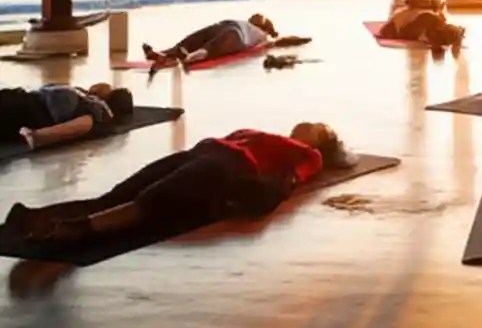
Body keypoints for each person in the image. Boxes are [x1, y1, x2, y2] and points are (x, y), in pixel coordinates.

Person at [4, 122, 357, 244]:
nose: (309, 123)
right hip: (200, 152)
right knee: (120, 192)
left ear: (321, 140)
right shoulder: (261, 131)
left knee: (153, 199)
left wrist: (278, 186)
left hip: (228, 165)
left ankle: (79, 229)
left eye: (319, 126)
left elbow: (297, 176)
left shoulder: (308, 153)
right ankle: (38, 218)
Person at [142, 13, 310, 74]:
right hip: (228, 30)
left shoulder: (264, 36)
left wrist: (302, 39)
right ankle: (173, 54)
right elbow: (283, 39)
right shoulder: (261, 36)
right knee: (204, 46)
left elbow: (283, 40)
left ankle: (175, 54)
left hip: (226, 28)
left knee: (200, 44)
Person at [1, 83, 134, 152]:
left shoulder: (98, 110)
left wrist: (36, 136)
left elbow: (80, 126)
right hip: (25, 102)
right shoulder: (88, 98)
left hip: (26, 109)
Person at [378, 3, 465, 51]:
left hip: (422, 20)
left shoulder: (427, 20)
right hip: (420, 20)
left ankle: (454, 33)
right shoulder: (400, 25)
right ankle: (454, 33)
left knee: (432, 26)